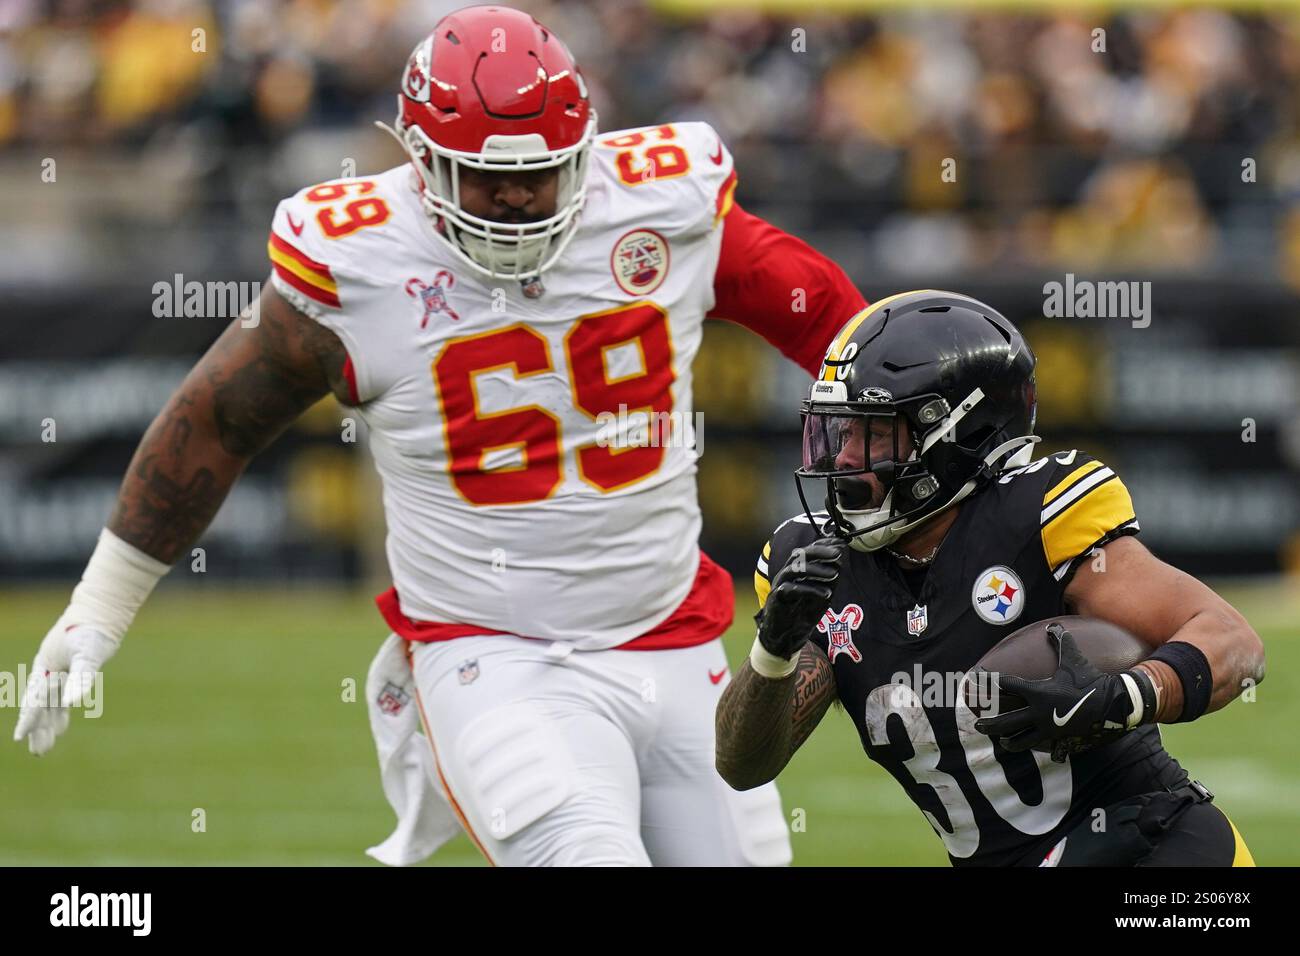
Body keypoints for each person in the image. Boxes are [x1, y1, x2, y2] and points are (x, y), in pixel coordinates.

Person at [14, 5, 868, 866]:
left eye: (542, 172)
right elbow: (215, 422)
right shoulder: (360, 264)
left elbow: (839, 327)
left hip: (677, 638)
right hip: (494, 658)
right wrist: (99, 609)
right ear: (420, 162)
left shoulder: (659, 204)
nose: (515, 195)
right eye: (483, 176)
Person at [715, 289, 1265, 866]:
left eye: (876, 433)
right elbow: (741, 765)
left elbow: (1233, 643)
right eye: (840, 432)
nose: (847, 458)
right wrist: (773, 651)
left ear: (960, 434)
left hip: (1152, 850)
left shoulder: (1037, 520)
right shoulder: (818, 565)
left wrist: (1122, 696)